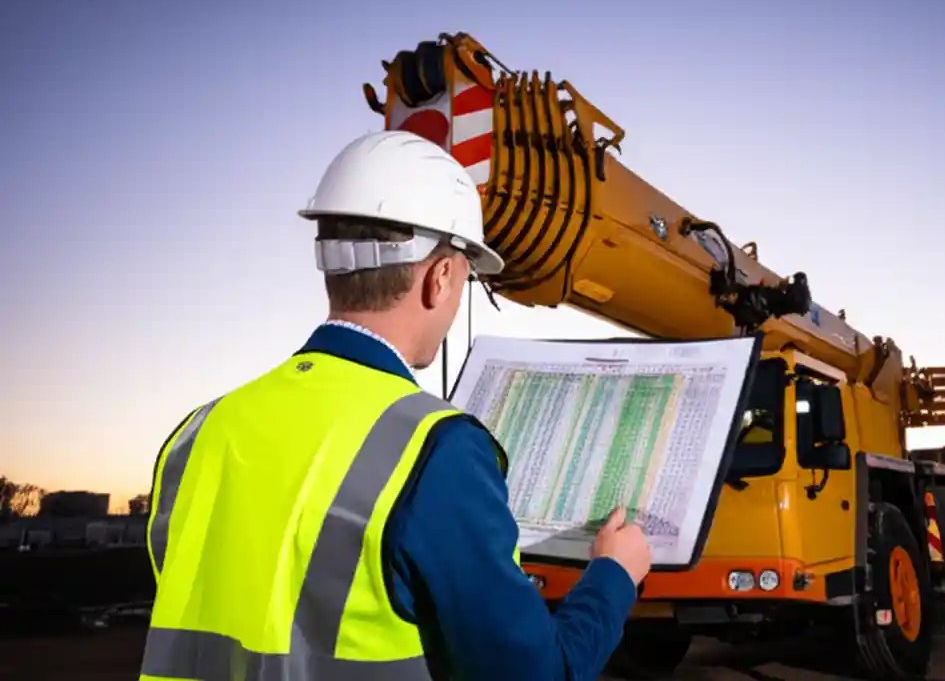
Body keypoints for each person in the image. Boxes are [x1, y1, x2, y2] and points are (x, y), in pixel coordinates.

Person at [139, 130, 652, 681]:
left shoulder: (199, 432)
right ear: (440, 277)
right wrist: (613, 576)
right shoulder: (436, 450)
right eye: (465, 281)